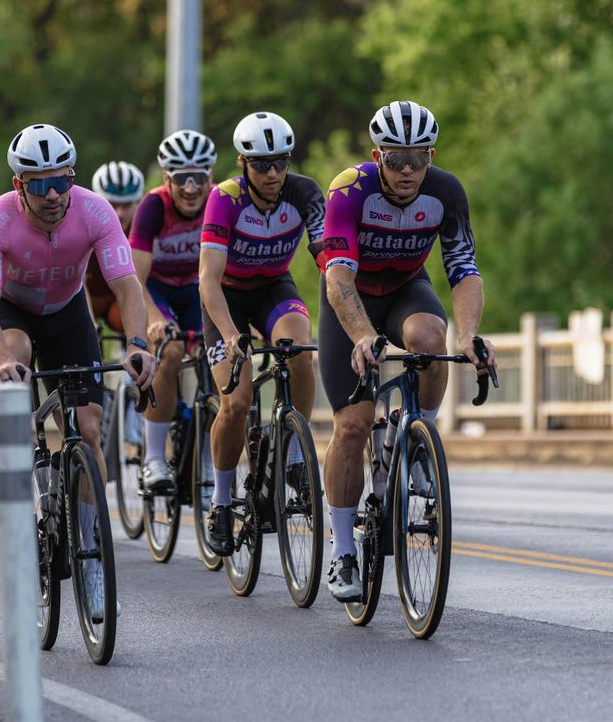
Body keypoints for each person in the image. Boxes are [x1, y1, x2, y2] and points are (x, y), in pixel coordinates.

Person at [0, 123, 155, 621]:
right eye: (39, 184)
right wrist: (1, 361)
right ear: (18, 186)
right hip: (15, 314)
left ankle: (91, 549)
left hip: (69, 315)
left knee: (88, 428)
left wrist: (138, 345)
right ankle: (20, 476)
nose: (52, 195)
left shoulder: (94, 211)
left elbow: (128, 288)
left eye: (61, 181)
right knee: (16, 351)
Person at [314, 100, 496, 601]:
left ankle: (419, 436)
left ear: (431, 155)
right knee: (352, 423)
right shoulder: (350, 190)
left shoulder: (446, 191)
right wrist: (360, 337)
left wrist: (469, 336)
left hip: (405, 288)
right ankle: (343, 549)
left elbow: (463, 268)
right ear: (378, 157)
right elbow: (338, 279)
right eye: (396, 159)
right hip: (349, 297)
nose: (409, 170)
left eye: (419, 157)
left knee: (431, 340)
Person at [198, 112, 324, 556]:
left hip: (273, 287)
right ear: (243, 164)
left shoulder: (305, 192)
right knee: (237, 402)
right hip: (226, 297)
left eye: (280, 163)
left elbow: (330, 257)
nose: (273, 174)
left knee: (300, 351)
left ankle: (292, 458)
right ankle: (219, 503)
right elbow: (208, 280)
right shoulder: (224, 199)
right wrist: (231, 335)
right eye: (262, 165)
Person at [127, 130, 213, 490]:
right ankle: (154, 459)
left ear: (210, 177)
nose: (191, 188)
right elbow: (134, 277)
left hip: (197, 290)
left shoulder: (217, 202)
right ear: (167, 179)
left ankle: (208, 462)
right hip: (157, 289)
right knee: (171, 351)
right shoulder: (152, 207)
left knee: (219, 358)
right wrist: (155, 318)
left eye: (199, 178)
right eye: (181, 179)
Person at [84, 160, 145, 334]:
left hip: (117, 302)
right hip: (88, 298)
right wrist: (89, 325)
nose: (119, 213)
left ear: (138, 202)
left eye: (126, 205)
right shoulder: (84, 226)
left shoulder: (143, 227)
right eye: (112, 204)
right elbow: (79, 285)